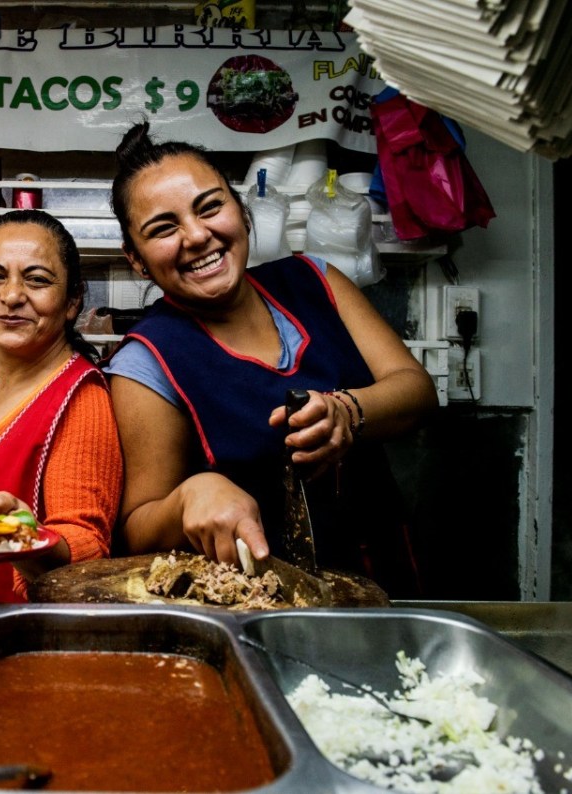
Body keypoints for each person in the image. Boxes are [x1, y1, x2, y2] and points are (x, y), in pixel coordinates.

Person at [104, 122, 438, 596]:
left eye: (210, 207)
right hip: (257, 604)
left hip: (385, 574)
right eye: (163, 228)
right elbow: (136, 527)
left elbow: (417, 391)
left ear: (240, 211)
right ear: (136, 259)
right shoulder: (147, 361)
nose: (197, 235)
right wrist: (188, 498)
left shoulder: (315, 280)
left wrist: (347, 411)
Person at [0, 209, 123, 616]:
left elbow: (87, 545)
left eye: (37, 280)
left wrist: (26, 537)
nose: (11, 295)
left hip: (19, 636)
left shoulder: (80, 398)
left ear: (72, 301)